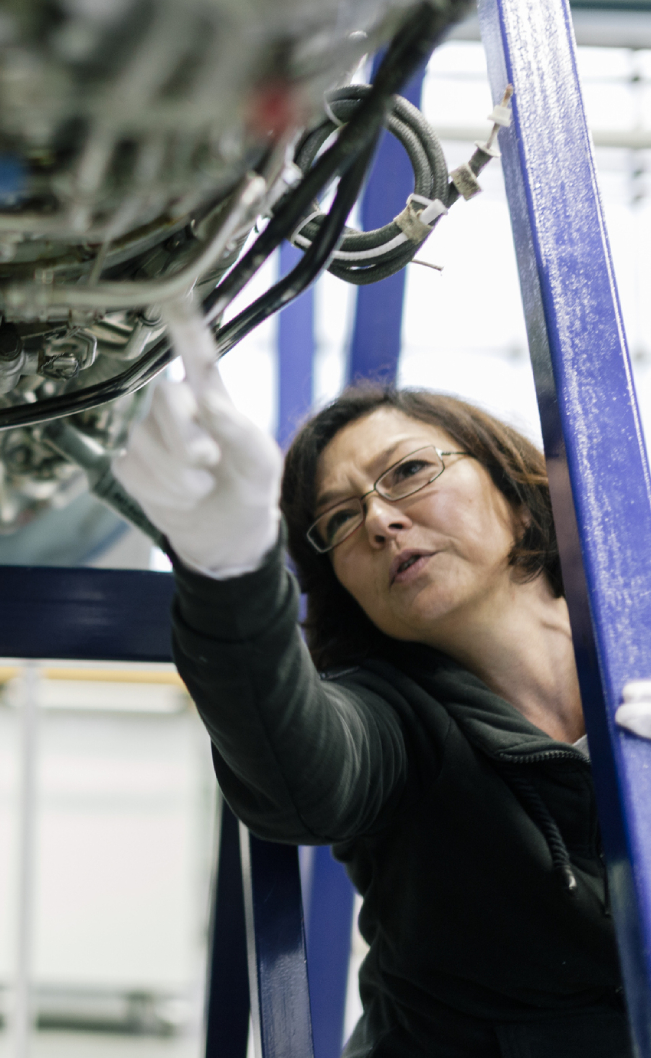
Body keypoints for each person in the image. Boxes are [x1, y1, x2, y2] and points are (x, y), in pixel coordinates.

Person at [111, 302, 627, 1056]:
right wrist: (228, 561)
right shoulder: (391, 719)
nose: (381, 520)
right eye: (341, 520)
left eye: (409, 472)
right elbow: (301, 771)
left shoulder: (635, 635)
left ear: (515, 494)